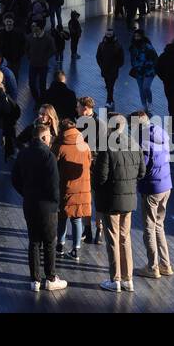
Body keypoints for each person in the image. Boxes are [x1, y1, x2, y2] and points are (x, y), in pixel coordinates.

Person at [11, 123, 69, 293]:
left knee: (34, 242)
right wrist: (56, 204)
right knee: (50, 241)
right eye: (49, 136)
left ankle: (34, 280)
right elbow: (54, 185)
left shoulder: (23, 153)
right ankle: (50, 278)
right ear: (44, 137)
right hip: (47, 207)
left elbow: (14, 179)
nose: (51, 138)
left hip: (29, 204)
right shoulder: (49, 156)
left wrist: (26, 193)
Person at [92, 113, 143, 293]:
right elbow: (142, 172)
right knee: (125, 237)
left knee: (112, 239)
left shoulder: (107, 147)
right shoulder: (135, 145)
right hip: (129, 199)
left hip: (110, 200)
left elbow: (100, 177)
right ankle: (128, 279)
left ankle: (116, 279)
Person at [136, 110, 174, 279]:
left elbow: (143, 166)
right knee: (159, 225)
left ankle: (153, 267)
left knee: (149, 228)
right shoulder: (161, 133)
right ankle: (165, 264)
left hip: (151, 188)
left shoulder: (143, 140)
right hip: (166, 185)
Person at [55, 116, 92, 260]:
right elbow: (89, 163)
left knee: (62, 217)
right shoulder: (85, 145)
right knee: (77, 219)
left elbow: (53, 165)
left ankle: (60, 245)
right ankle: (76, 249)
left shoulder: (60, 146)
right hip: (83, 186)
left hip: (65, 187)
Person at [74, 96, 105, 244]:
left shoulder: (99, 125)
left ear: (85, 108)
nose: (76, 109)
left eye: (78, 107)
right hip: (86, 166)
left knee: (95, 199)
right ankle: (89, 229)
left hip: (94, 167)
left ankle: (97, 229)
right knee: (87, 199)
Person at [128, 30, 159, 114]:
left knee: (146, 87)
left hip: (149, 71)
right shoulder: (133, 47)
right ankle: (144, 107)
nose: (137, 38)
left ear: (142, 37)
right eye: (135, 36)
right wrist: (135, 66)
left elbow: (155, 58)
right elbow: (132, 59)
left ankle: (150, 103)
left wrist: (147, 65)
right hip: (139, 71)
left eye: (138, 36)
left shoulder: (148, 47)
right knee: (141, 89)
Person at [156, 38, 174, 123]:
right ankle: (173, 118)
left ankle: (171, 116)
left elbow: (157, 68)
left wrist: (163, 78)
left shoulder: (163, 56)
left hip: (167, 82)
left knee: (170, 100)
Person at [96, 28, 125, 110]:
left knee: (110, 85)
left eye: (110, 34)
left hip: (113, 70)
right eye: (107, 34)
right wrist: (101, 65)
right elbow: (98, 56)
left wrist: (117, 66)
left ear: (113, 35)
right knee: (108, 85)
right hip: (105, 69)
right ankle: (111, 100)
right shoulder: (102, 45)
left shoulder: (118, 45)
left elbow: (121, 58)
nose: (108, 36)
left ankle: (108, 101)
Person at [0, 15, 26, 84]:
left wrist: (19, 55)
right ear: (4, 22)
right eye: (7, 21)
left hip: (15, 60)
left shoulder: (18, 33)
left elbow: (24, 45)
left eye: (10, 21)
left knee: (13, 77)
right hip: (3, 60)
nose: (9, 23)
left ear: (13, 22)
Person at [26, 22, 53, 102]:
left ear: (40, 28)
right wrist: (29, 57)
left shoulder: (48, 38)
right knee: (31, 84)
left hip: (43, 65)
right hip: (33, 64)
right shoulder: (30, 37)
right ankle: (37, 100)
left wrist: (45, 58)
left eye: (34, 26)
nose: (32, 28)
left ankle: (42, 101)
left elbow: (52, 50)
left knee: (42, 85)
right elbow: (26, 48)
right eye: (32, 26)